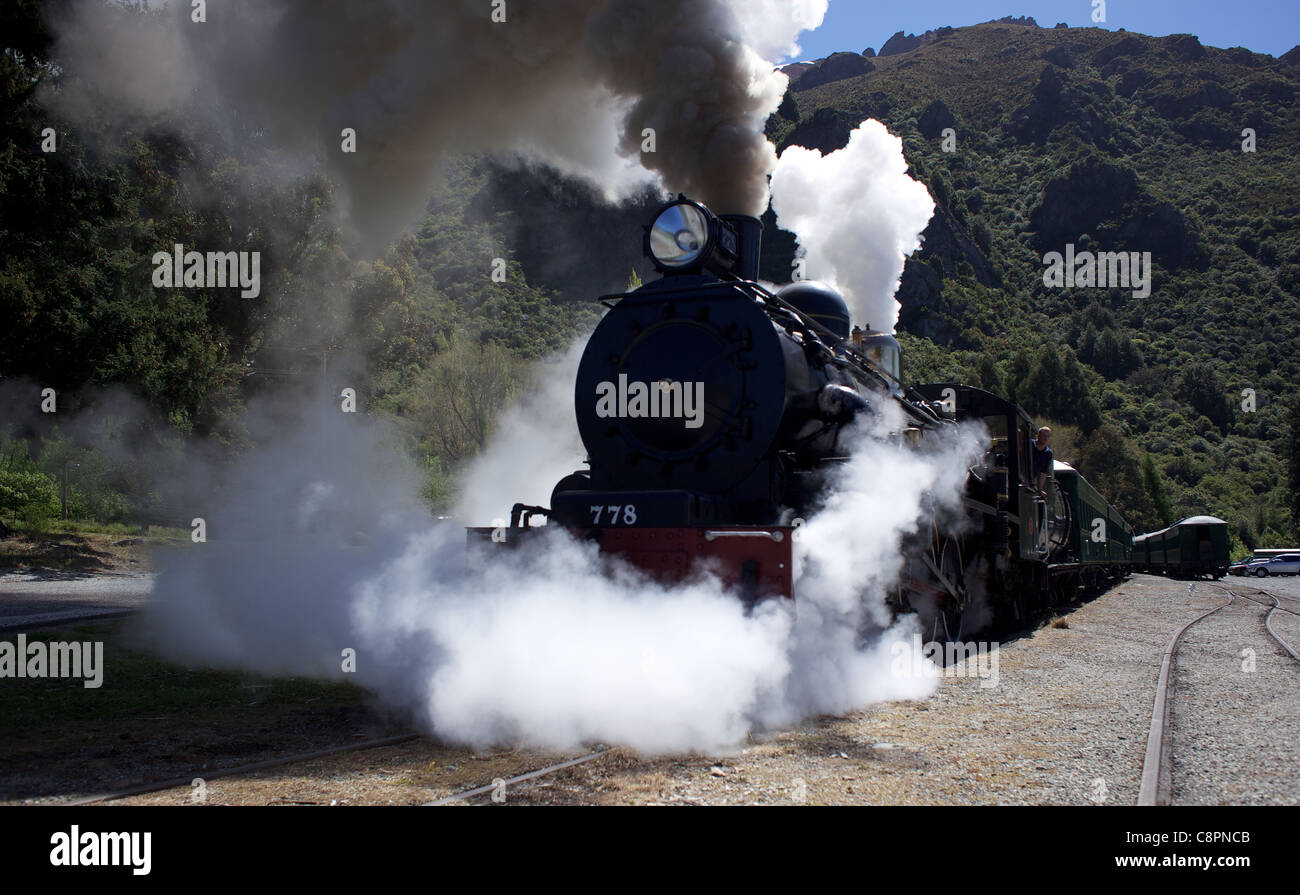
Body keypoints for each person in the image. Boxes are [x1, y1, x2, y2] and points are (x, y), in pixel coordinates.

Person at [1032, 426, 1053, 497]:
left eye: (1048, 436)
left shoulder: (1048, 453)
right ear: (1038, 435)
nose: (1046, 438)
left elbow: (1043, 472)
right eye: (1044, 436)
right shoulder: (1029, 444)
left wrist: (1040, 489)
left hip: (1031, 480)